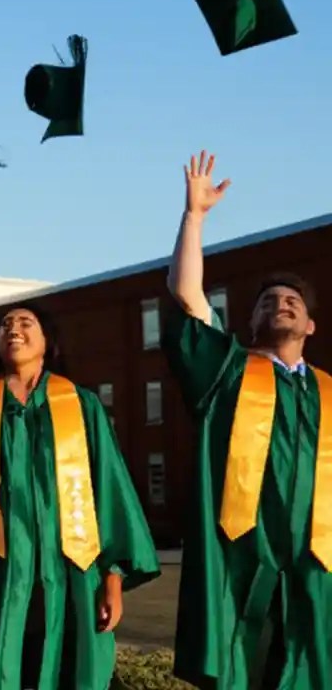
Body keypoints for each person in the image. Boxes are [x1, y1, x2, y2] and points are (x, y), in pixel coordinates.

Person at [163, 151, 332, 689]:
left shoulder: (329, 391)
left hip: (319, 561)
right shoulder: (228, 370)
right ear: (250, 320)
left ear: (310, 324)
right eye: (267, 301)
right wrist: (195, 217)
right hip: (243, 555)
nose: (280, 305)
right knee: (245, 670)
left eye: (291, 301)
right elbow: (187, 295)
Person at [0, 302, 159, 689]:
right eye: (4, 324)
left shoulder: (80, 405)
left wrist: (113, 578)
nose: (13, 329)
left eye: (26, 322)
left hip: (73, 576)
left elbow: (109, 489)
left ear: (47, 341)